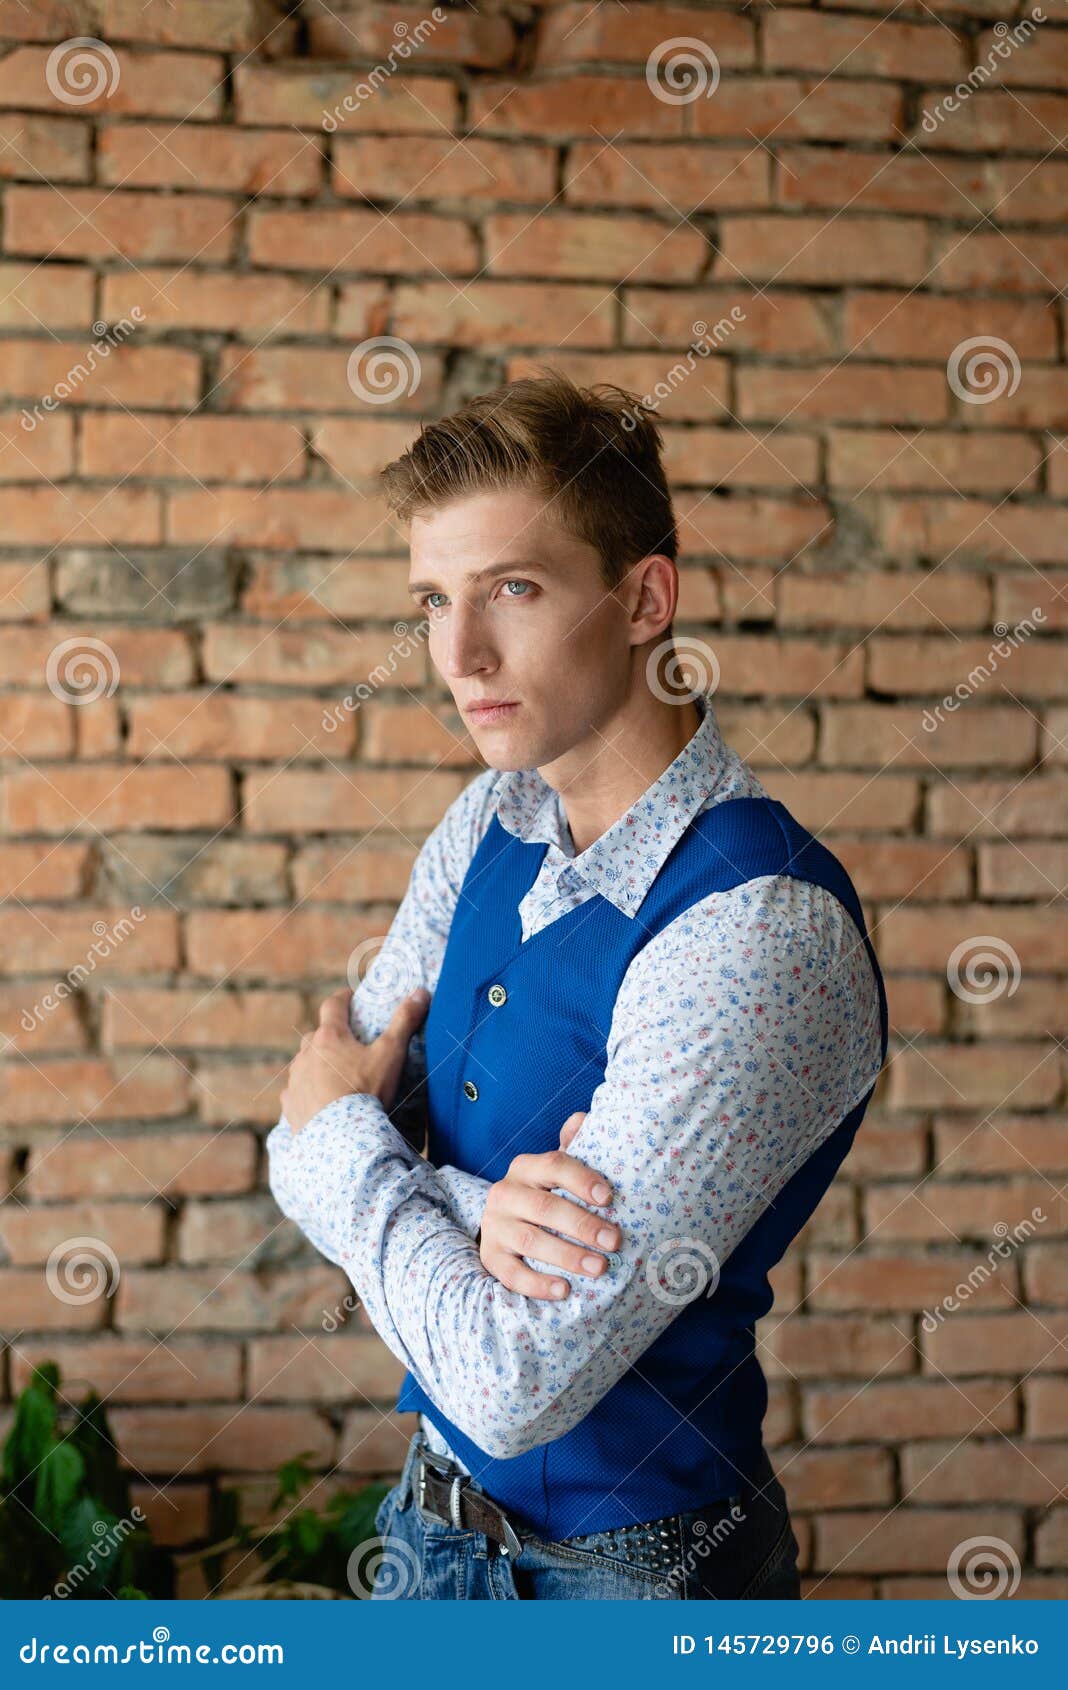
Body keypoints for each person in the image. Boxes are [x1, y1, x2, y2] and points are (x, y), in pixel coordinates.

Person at [266, 368, 888, 1600]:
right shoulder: (485, 822)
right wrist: (460, 1197)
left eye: (512, 588)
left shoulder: (759, 925)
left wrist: (355, 1148)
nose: (457, 653)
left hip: (632, 1577)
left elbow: (512, 1380)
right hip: (426, 1530)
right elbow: (298, 1128)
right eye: (433, 601)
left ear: (645, 596)